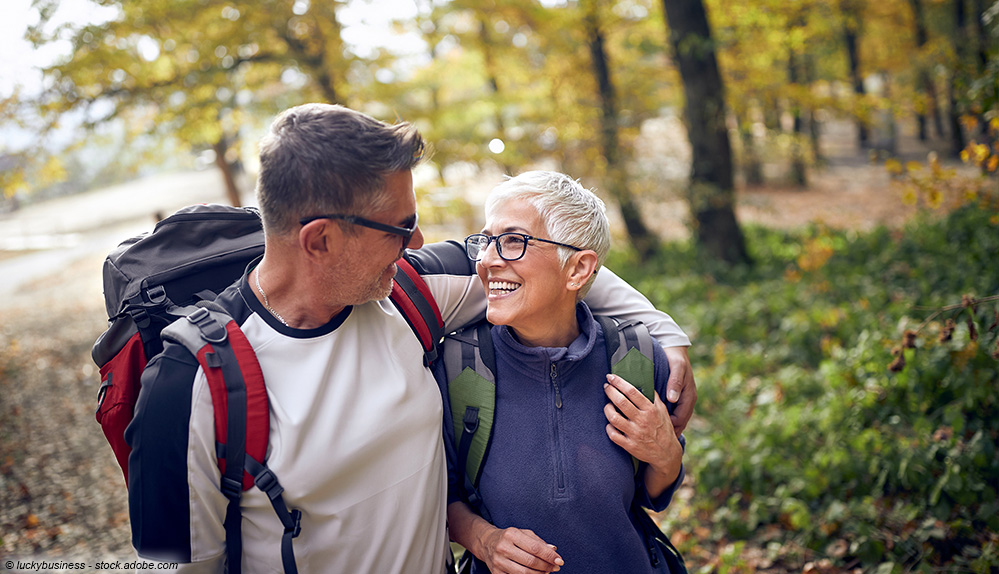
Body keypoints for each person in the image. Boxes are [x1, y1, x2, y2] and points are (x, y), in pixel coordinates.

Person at [126, 104, 693, 573]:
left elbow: (551, 269)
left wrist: (668, 337)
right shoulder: (192, 384)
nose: (419, 239)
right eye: (401, 227)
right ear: (320, 240)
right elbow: (186, 564)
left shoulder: (411, 292)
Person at [439, 171, 685, 574]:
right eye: (485, 242)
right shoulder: (456, 367)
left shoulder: (637, 357)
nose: (486, 260)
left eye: (513, 241)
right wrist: (485, 540)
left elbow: (653, 494)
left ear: (577, 270)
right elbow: (438, 498)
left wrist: (667, 457)